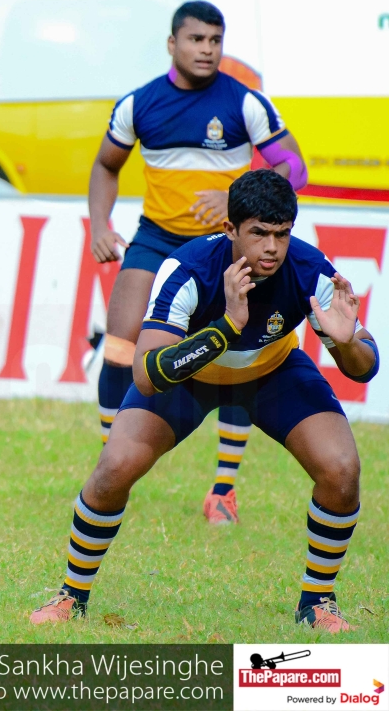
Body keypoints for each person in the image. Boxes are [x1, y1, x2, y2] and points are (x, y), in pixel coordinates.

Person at [31, 170, 376, 632]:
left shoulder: (310, 269)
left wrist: (345, 342)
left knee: (342, 468)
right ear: (229, 230)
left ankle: (317, 604)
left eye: (281, 234)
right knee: (114, 466)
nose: (272, 248)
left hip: (272, 372)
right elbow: (148, 374)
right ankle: (71, 596)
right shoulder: (188, 269)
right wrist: (227, 327)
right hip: (190, 378)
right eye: (258, 234)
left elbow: (365, 367)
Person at [89, 0, 309, 525]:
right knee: (121, 348)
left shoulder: (246, 103)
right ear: (173, 44)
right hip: (157, 239)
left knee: (242, 354)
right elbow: (105, 164)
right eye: (196, 40)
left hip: (224, 247)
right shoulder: (138, 104)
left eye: (215, 40)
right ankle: (111, 464)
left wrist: (232, 193)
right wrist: (99, 224)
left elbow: (295, 168)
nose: (207, 50)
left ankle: (222, 491)